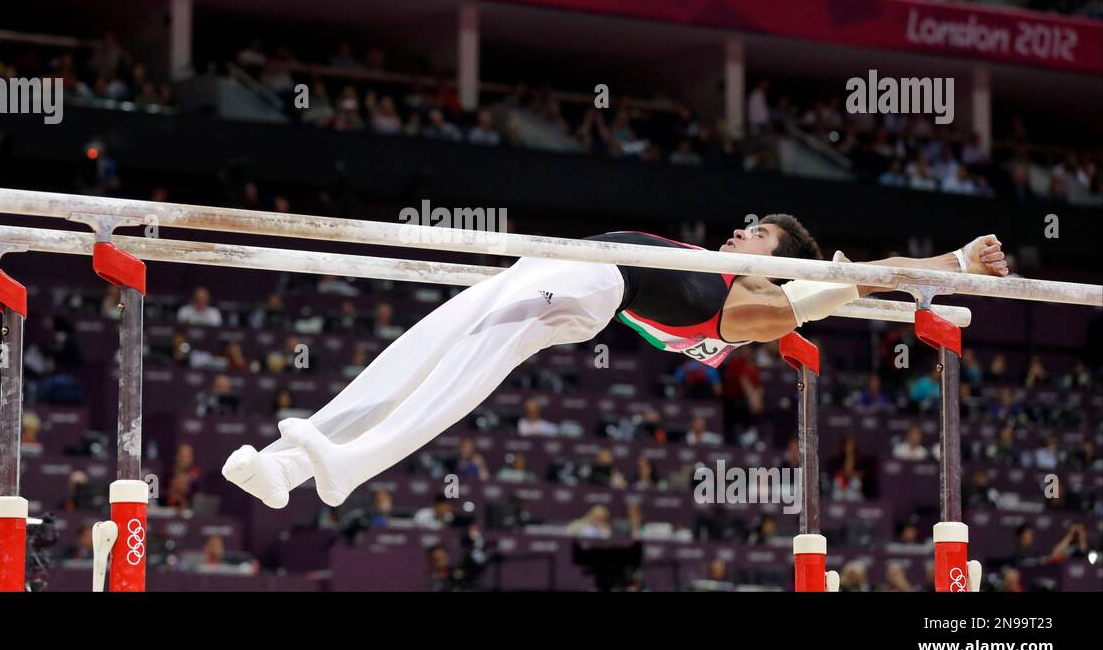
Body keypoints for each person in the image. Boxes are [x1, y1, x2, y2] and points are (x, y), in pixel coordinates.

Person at [223, 219, 1008, 507]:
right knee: (435, 351)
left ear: (780, 266)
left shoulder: (751, 305)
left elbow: (865, 275)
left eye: (758, 232)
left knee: (455, 353)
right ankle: (295, 465)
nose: (742, 230)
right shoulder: (730, 288)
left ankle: (341, 464)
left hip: (591, 279)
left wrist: (956, 261)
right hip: (568, 283)